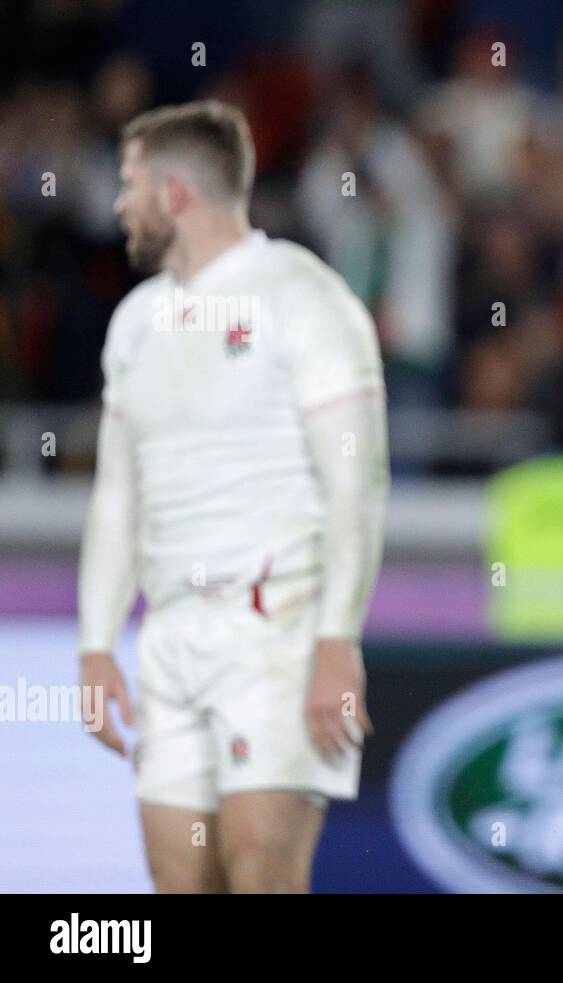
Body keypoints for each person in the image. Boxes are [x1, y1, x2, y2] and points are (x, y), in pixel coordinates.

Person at [78, 100, 390, 893]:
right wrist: (94, 643)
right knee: (179, 881)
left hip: (277, 628)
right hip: (172, 633)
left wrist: (336, 640)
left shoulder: (305, 299)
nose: (119, 205)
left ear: (175, 194)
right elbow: (117, 497)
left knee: (262, 868)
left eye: (130, 184)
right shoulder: (134, 324)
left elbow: (357, 480)